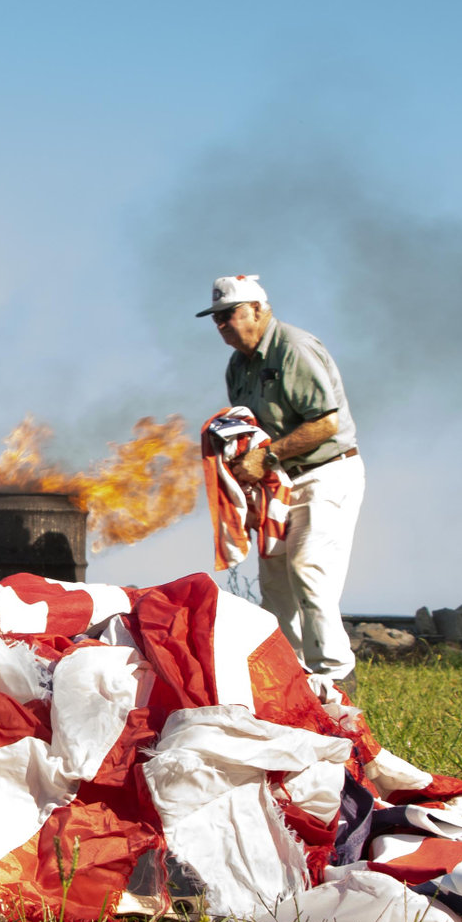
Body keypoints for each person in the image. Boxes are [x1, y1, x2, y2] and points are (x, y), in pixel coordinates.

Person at [200, 274, 364, 688]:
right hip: (279, 484)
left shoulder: (294, 349)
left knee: (310, 569)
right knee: (274, 584)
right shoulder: (238, 365)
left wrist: (268, 456)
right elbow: (247, 427)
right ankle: (288, 683)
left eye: (229, 315)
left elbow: (326, 423)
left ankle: (337, 679)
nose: (222, 325)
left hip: (324, 474)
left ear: (258, 309)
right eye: (216, 318)